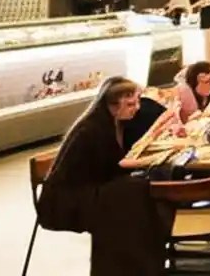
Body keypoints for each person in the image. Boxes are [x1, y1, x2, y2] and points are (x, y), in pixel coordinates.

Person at [36, 77, 170, 276]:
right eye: (131, 104)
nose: (137, 108)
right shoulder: (91, 131)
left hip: (90, 189)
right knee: (135, 193)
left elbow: (112, 169)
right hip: (66, 200)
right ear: (113, 106)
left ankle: (141, 265)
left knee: (136, 190)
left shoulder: (110, 124)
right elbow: (110, 170)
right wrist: (147, 162)